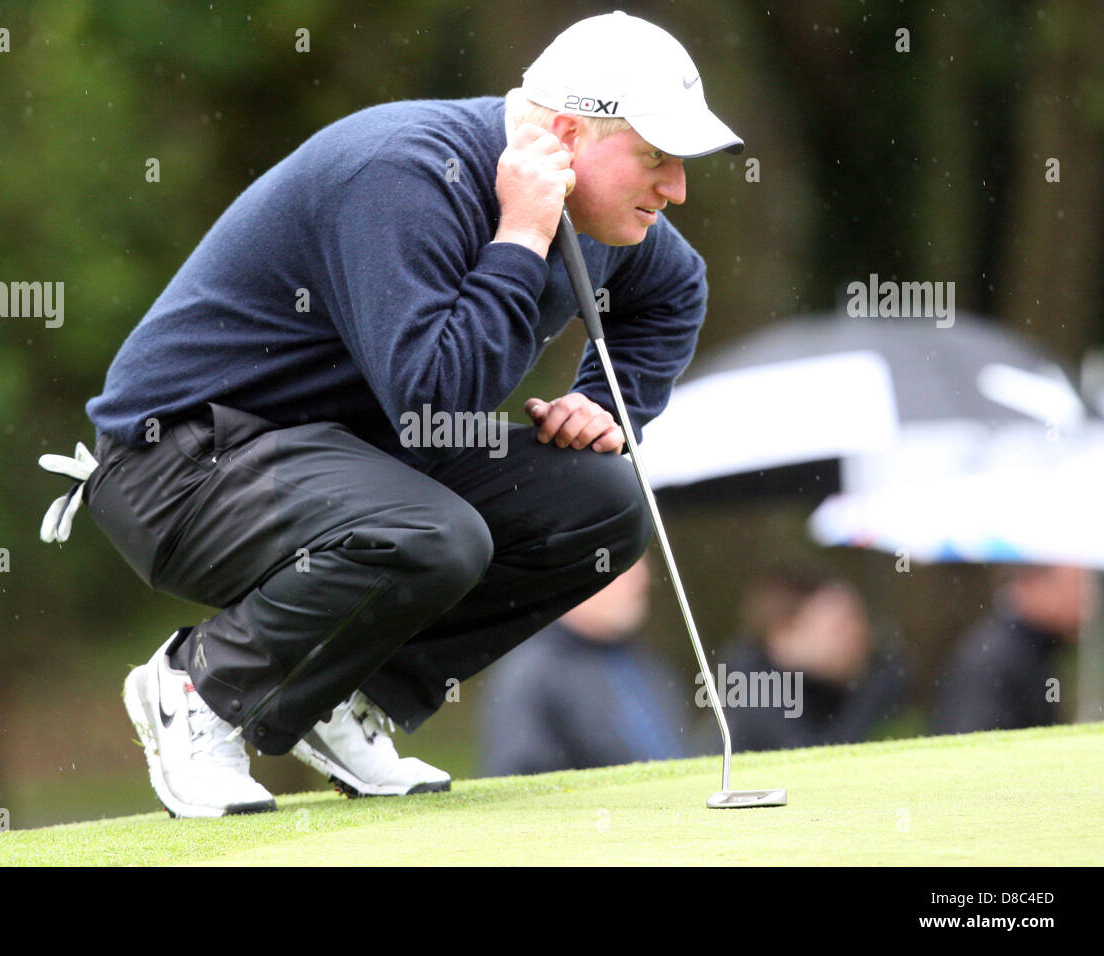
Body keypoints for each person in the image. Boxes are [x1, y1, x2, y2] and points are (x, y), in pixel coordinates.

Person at [38, 12, 742, 816]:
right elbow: (434, 405)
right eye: (655, 158)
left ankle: (344, 697)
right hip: (179, 468)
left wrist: (608, 402)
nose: (676, 188)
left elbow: (675, 292)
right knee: (434, 534)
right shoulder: (401, 178)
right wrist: (517, 237)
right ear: (564, 135)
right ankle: (197, 687)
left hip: (342, 462)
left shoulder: (600, 214)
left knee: (603, 504)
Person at [479, 557, 693, 776]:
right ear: (576, 576)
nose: (640, 579)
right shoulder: (532, 672)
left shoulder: (648, 664)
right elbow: (518, 781)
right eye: (623, 566)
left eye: (640, 564)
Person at [716, 569, 908, 752]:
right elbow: (818, 757)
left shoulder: (820, 683)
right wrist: (874, 689)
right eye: (838, 628)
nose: (857, 637)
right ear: (784, 636)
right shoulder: (753, 688)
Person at [932, 564, 1097, 734]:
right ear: (1032, 582)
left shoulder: (1032, 650)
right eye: (1077, 586)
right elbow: (973, 746)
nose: (1087, 601)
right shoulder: (995, 660)